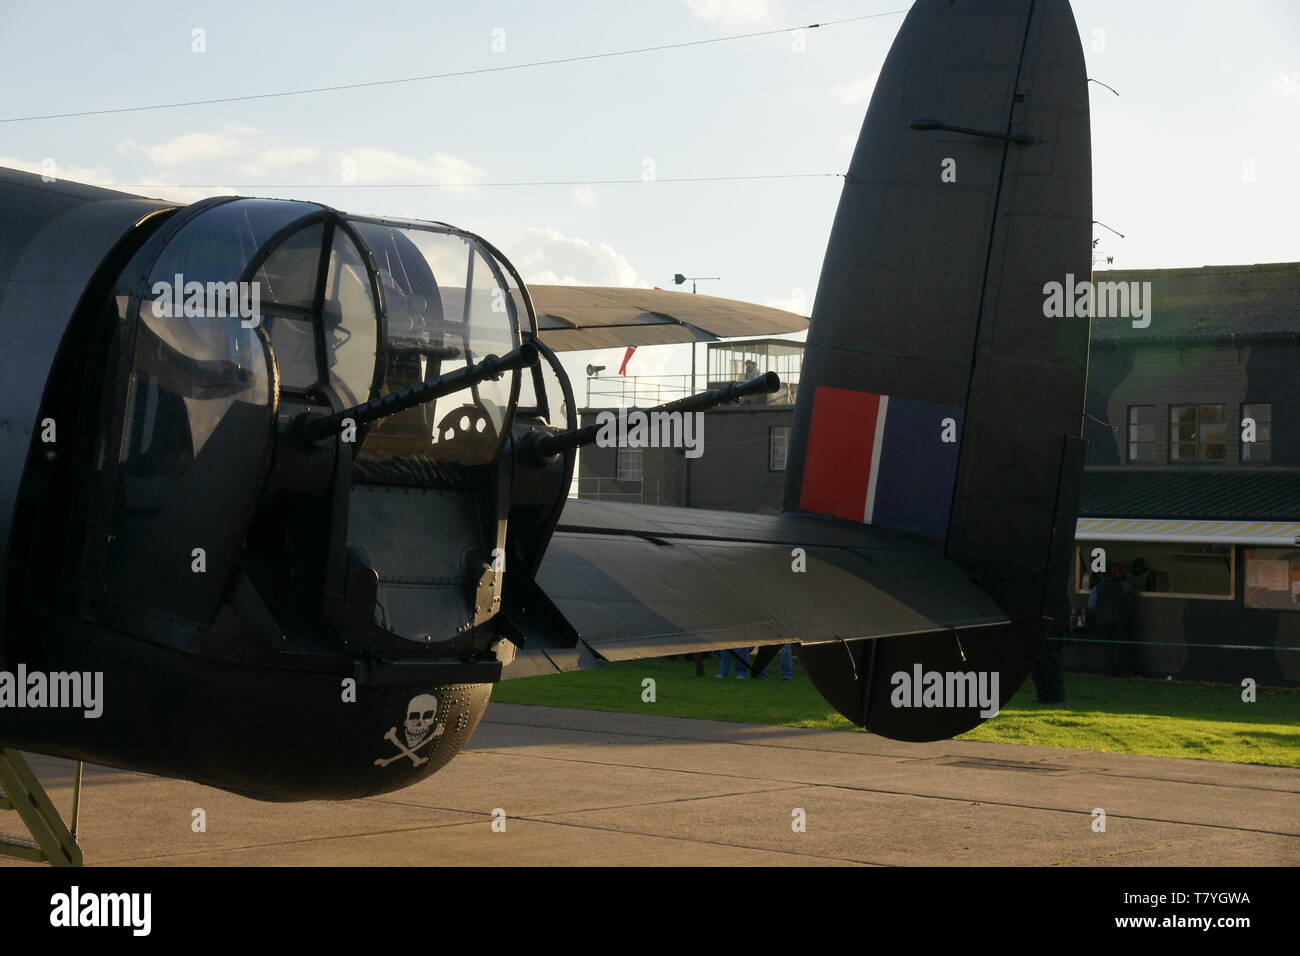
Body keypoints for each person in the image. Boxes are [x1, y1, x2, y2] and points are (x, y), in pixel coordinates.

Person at [1090, 565, 1133, 677]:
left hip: (1104, 620)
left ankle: (1110, 672)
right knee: (1121, 646)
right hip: (1119, 618)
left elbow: (1091, 605)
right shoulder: (1122, 585)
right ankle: (1124, 672)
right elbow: (1129, 588)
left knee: (1108, 647)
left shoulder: (1097, 587)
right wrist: (1119, 578)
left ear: (1100, 575)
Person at [1031, 615, 1069, 705]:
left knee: (1052, 666)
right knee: (1037, 667)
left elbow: (1064, 612)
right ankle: (1043, 696)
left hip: (1051, 633)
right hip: (1039, 630)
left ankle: (1057, 698)